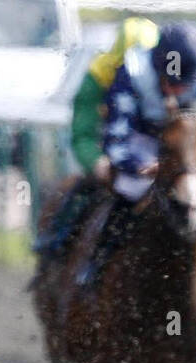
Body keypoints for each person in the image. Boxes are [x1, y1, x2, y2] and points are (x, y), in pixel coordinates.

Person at [70, 20, 196, 289]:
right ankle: (100, 257)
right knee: (129, 187)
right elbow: (117, 135)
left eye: (182, 86)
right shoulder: (132, 71)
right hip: (145, 142)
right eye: (170, 83)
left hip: (190, 147)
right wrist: (136, 164)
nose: (175, 92)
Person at [33, 15, 158, 264]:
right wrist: (96, 162)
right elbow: (82, 134)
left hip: (153, 165)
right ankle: (54, 249)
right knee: (77, 198)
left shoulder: (163, 81)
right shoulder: (97, 77)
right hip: (109, 165)